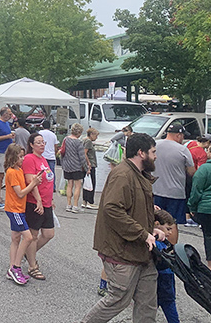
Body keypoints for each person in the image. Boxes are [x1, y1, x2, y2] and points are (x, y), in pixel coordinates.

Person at [80, 132, 165, 323]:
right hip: (122, 252)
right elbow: (112, 210)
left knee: (147, 303)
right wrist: (143, 234)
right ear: (141, 153)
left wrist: (151, 230)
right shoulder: (123, 175)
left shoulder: (139, 175)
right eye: (153, 151)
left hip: (141, 251)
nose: (156, 156)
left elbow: (134, 210)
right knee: (117, 299)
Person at [4, 144, 43, 285]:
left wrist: (33, 182)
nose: (22, 159)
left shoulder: (19, 170)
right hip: (14, 209)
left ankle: (11, 267)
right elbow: (20, 193)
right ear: (13, 158)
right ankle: (16, 267)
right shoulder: (12, 172)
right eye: (20, 157)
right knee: (28, 237)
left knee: (15, 238)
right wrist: (33, 184)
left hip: (18, 209)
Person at [23, 132, 56, 281]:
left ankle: (27, 253)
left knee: (49, 234)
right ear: (31, 145)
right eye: (38, 142)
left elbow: (48, 180)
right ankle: (32, 266)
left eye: (43, 142)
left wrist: (50, 198)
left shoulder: (43, 159)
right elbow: (32, 181)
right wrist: (38, 200)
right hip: (35, 202)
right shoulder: (29, 159)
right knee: (34, 235)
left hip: (47, 202)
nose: (42, 144)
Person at [152, 124, 195, 233]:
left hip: (155, 190)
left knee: (154, 221)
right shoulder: (183, 150)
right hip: (175, 193)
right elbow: (191, 172)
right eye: (183, 136)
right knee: (172, 223)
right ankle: (171, 248)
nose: (183, 138)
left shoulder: (154, 145)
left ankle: (156, 246)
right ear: (178, 135)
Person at [153, 209, 180, 323]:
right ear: (157, 224)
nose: (170, 233)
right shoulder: (158, 243)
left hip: (162, 277)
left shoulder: (162, 242)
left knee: (153, 306)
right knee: (169, 304)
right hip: (164, 276)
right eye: (168, 229)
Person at [188, 141, 211, 269]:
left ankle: (210, 266)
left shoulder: (204, 170)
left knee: (208, 236)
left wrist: (192, 206)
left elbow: (196, 190)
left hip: (206, 209)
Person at [0, 107, 15, 210]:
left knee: (5, 174)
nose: (10, 115)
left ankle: (2, 196)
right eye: (9, 114)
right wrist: (7, 136)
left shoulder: (6, 124)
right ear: (4, 114)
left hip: (7, 151)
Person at [62, 123, 90, 213]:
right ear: (79, 132)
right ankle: (75, 205)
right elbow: (82, 157)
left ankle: (68, 204)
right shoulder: (78, 142)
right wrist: (86, 168)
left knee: (69, 185)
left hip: (67, 166)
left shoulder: (66, 139)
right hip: (76, 166)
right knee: (78, 186)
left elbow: (62, 152)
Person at [38, 120, 59, 191]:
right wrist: (55, 153)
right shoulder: (53, 135)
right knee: (51, 172)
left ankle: (42, 185)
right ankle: (52, 187)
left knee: (41, 172)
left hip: (42, 155)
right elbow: (56, 145)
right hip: (51, 156)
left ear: (42, 126)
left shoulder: (40, 133)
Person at [83, 128, 100, 210]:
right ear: (92, 134)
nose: (96, 138)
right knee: (92, 183)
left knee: (87, 183)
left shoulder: (84, 140)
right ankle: (90, 201)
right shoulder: (88, 142)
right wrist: (89, 163)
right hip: (90, 164)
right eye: (96, 136)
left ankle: (85, 201)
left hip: (87, 164)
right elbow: (85, 152)